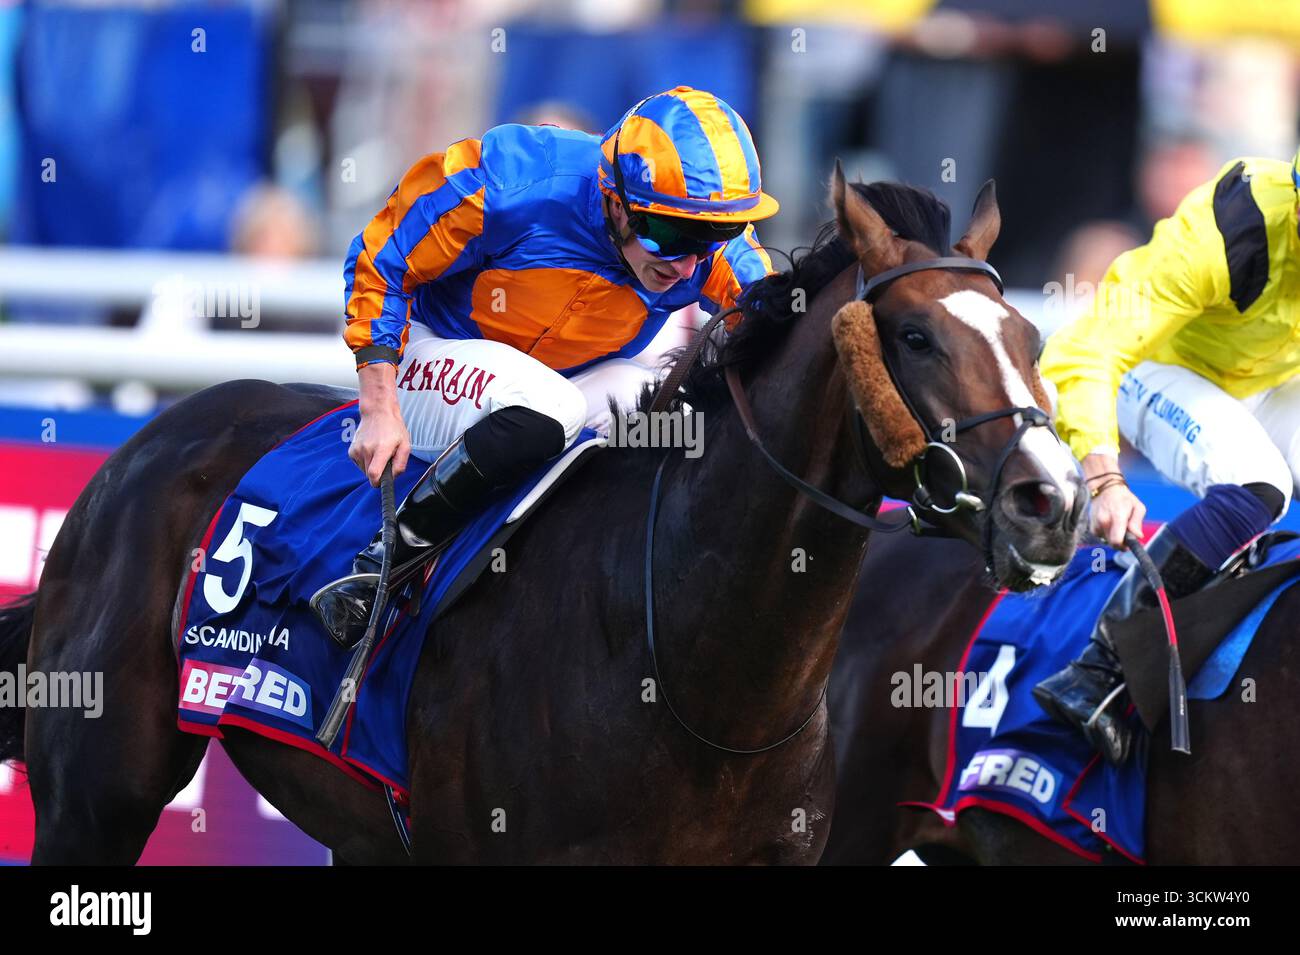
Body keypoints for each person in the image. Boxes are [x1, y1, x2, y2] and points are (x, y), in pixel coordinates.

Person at [311, 86, 778, 648]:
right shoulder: (509, 179)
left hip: (554, 381)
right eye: (669, 235)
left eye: (713, 238)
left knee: (669, 414)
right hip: (430, 351)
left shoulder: (703, 241)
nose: (685, 265)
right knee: (550, 406)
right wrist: (379, 405)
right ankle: (379, 568)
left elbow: (777, 313)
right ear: (614, 197)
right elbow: (379, 259)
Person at [1033, 150, 1300, 764]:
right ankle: (1099, 670)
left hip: (1256, 384)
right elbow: (1085, 349)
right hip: (1149, 368)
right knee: (1260, 484)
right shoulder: (1233, 227)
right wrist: (1104, 480)